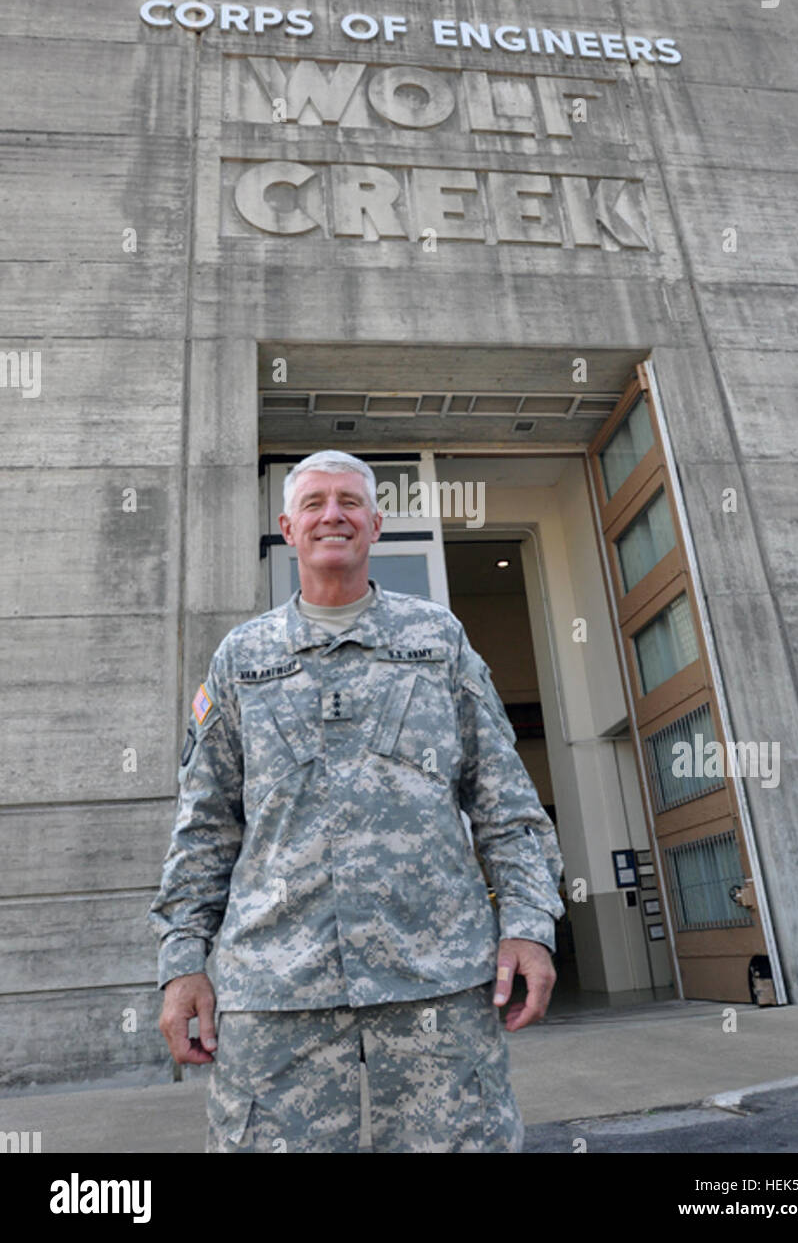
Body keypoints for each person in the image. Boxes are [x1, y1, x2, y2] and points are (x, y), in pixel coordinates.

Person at [149, 449, 565, 1152]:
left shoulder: (437, 643)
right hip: (277, 984)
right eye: (313, 503)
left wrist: (528, 925)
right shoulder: (241, 659)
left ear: (375, 524)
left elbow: (506, 805)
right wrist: (182, 962)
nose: (331, 515)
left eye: (348, 502)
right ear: (288, 527)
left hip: (433, 977)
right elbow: (205, 826)